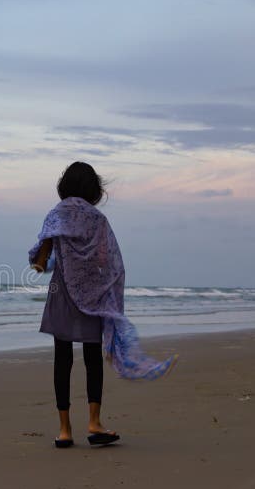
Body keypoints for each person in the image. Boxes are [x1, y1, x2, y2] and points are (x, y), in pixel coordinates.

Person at [28, 162, 176, 449]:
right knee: (93, 357)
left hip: (62, 293)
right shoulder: (97, 219)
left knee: (63, 358)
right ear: (94, 188)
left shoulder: (57, 213)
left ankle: (64, 429)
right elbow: (107, 260)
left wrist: (40, 261)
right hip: (91, 294)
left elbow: (44, 248)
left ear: (64, 185)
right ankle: (94, 423)